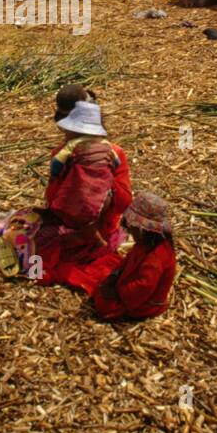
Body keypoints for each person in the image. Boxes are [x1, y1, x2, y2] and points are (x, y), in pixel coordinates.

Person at [34, 95, 133, 295]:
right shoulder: (112, 152)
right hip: (87, 223)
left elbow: (53, 198)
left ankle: (85, 236)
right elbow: (126, 201)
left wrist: (99, 183)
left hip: (97, 226)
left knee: (36, 240)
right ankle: (86, 235)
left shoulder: (64, 152)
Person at [92, 193, 177, 320]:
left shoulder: (155, 259)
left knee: (104, 305)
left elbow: (142, 287)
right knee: (101, 282)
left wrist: (117, 292)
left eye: (134, 229)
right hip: (132, 288)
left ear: (145, 230)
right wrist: (115, 275)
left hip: (145, 303)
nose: (131, 232)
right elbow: (129, 259)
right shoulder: (146, 243)